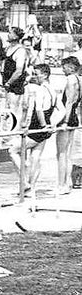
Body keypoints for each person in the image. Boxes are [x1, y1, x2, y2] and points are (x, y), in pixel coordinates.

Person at [10, 63, 59, 195]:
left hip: (38, 128)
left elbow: (38, 110)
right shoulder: (52, 90)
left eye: (36, 74)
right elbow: (61, 110)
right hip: (45, 129)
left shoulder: (41, 89)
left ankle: (25, 182)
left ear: (45, 75)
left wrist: (43, 126)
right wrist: (53, 124)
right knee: (35, 158)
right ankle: (30, 189)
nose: (34, 77)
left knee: (13, 150)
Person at [55, 56, 81, 195]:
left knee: (61, 154)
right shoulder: (79, 80)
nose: (62, 70)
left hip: (68, 117)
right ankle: (66, 183)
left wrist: (64, 121)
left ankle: (62, 185)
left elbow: (69, 102)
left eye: (64, 67)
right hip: (74, 117)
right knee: (66, 153)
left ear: (71, 67)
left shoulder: (71, 80)